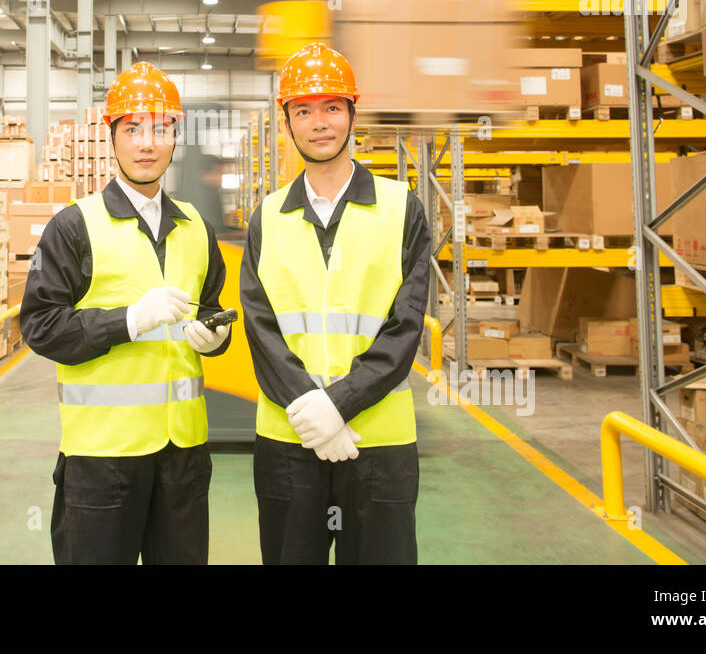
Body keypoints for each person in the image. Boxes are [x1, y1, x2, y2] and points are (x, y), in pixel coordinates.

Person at [21, 62, 231, 565]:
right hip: (102, 457)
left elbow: (213, 309)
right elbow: (40, 326)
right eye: (132, 129)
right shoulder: (74, 227)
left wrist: (215, 336)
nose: (146, 143)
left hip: (183, 453)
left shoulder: (197, 229)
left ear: (174, 137)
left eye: (159, 129)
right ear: (111, 137)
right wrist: (128, 321)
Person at [239, 42, 430, 565]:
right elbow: (262, 329)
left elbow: (405, 326)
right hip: (287, 440)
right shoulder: (268, 216)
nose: (318, 123)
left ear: (351, 113)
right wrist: (314, 412)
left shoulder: (401, 208)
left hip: (378, 443)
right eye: (303, 110)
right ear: (287, 122)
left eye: (330, 107)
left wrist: (340, 405)